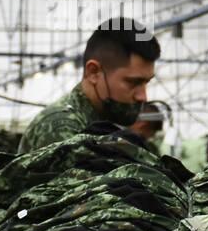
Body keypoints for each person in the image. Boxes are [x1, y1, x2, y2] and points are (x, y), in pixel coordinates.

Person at [17, 17, 160, 154]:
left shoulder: (101, 121)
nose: (143, 96)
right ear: (94, 72)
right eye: (132, 82)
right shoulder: (62, 129)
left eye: (146, 82)